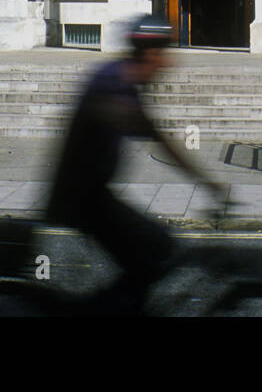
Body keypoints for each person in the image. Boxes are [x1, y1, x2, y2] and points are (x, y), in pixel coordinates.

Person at [45, 16, 229, 313]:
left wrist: (206, 183)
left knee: (152, 254)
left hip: (91, 195)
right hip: (80, 199)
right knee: (150, 255)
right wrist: (209, 184)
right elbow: (156, 135)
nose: (169, 64)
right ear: (150, 54)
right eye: (165, 54)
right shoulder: (113, 83)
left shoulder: (121, 80)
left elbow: (152, 133)